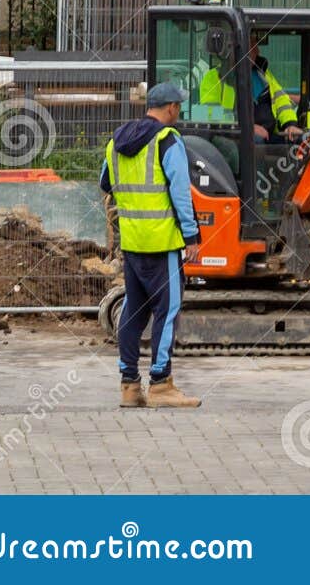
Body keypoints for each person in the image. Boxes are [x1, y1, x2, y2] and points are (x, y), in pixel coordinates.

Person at [100, 82, 202, 409]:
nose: (179, 112)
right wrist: (191, 236)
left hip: (132, 243)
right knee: (167, 311)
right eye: (178, 107)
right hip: (163, 242)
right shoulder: (167, 140)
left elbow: (105, 182)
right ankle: (161, 384)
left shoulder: (117, 140)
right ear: (170, 108)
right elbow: (181, 194)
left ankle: (129, 386)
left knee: (134, 311)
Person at [198, 37, 305, 142]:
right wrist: (248, 127)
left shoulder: (263, 74)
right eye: (252, 46)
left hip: (269, 134)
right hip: (234, 136)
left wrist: (290, 124)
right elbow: (210, 115)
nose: (258, 51)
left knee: (301, 139)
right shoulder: (214, 78)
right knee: (256, 140)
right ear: (236, 50)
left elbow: (282, 101)